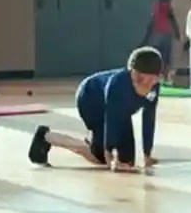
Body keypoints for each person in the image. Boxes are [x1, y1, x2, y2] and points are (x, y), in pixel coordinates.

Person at [27, 47, 164, 172]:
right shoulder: (117, 85)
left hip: (121, 110)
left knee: (127, 162)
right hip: (90, 99)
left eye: (149, 80)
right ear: (131, 73)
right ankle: (45, 136)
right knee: (99, 157)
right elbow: (111, 119)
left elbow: (149, 118)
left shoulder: (154, 88)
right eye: (136, 77)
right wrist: (107, 152)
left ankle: (94, 141)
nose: (141, 83)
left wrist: (147, 153)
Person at [142, 0, 183, 85]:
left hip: (158, 34)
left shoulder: (156, 5)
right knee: (165, 57)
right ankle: (163, 77)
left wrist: (146, 37)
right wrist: (177, 33)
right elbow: (172, 19)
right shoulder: (166, 6)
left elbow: (152, 22)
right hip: (164, 34)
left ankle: (161, 77)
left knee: (159, 56)